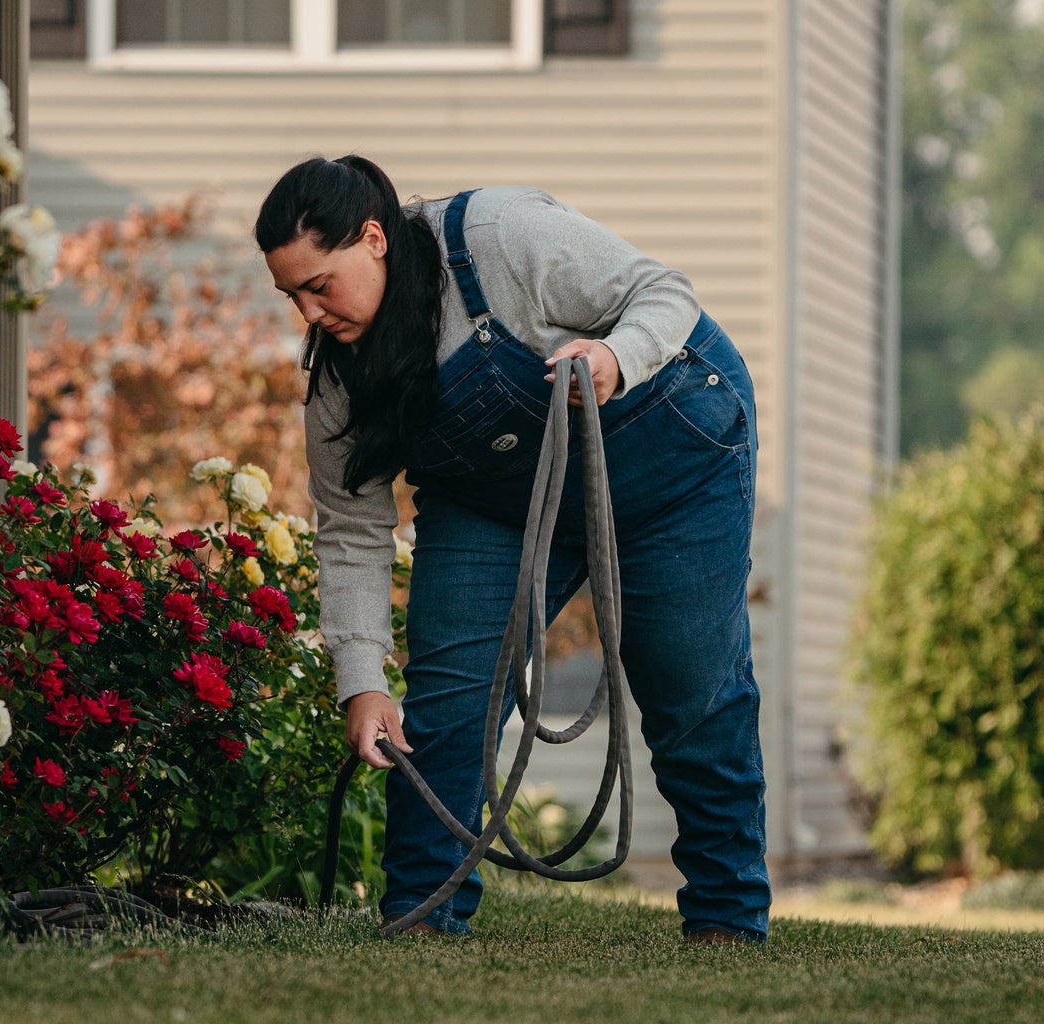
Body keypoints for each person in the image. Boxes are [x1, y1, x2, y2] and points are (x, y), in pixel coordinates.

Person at [254, 155, 768, 943]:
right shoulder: (337, 379)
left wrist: (615, 357)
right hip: (495, 501)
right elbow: (351, 529)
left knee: (690, 688)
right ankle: (423, 917)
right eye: (292, 295)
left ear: (373, 239)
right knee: (450, 700)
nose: (310, 313)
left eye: (320, 285)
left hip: (672, 455)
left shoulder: (498, 237)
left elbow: (664, 293)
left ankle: (728, 917)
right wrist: (361, 683)